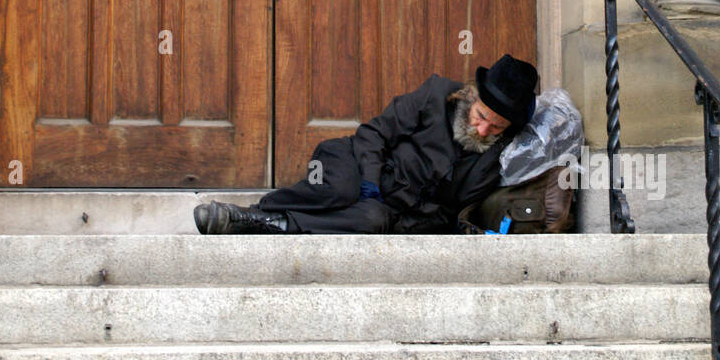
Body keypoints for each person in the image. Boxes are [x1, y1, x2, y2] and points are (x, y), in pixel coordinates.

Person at [194, 53, 538, 235]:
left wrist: (399, 219)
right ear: (471, 96)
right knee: (341, 189)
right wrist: (370, 184)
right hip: (351, 161)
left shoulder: (493, 159)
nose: (482, 130)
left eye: (496, 127)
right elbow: (372, 135)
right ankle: (259, 211)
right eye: (480, 117)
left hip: (389, 208)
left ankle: (264, 224)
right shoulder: (436, 94)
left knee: (372, 221)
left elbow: (448, 212)